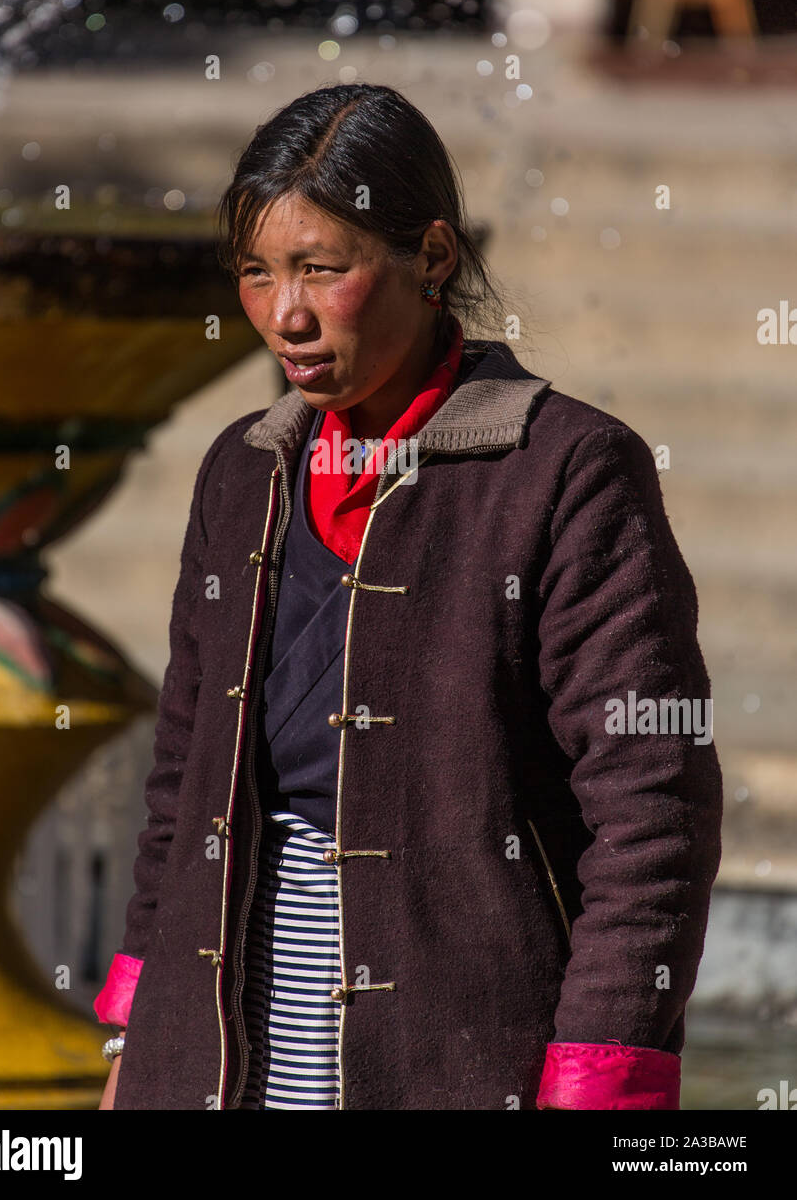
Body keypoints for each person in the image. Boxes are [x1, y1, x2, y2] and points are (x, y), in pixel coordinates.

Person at [95, 82, 722, 1111]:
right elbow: (181, 781)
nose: (283, 313)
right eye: (256, 274)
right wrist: (135, 1029)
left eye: (321, 270)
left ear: (431, 257)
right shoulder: (241, 472)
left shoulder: (562, 472)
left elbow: (650, 810)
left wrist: (597, 1075)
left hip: (454, 1051)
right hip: (218, 1046)